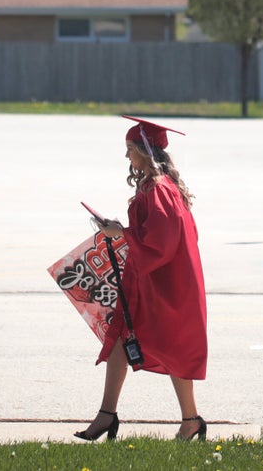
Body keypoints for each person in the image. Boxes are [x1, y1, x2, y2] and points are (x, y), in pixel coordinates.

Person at [75, 116, 208, 442]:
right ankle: (108, 415)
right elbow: (153, 234)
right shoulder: (157, 185)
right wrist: (122, 231)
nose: (127, 156)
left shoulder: (159, 189)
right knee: (121, 338)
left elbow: (161, 241)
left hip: (166, 285)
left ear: (145, 150)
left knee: (173, 347)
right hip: (155, 280)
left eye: (130, 149)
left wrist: (121, 233)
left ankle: (191, 420)